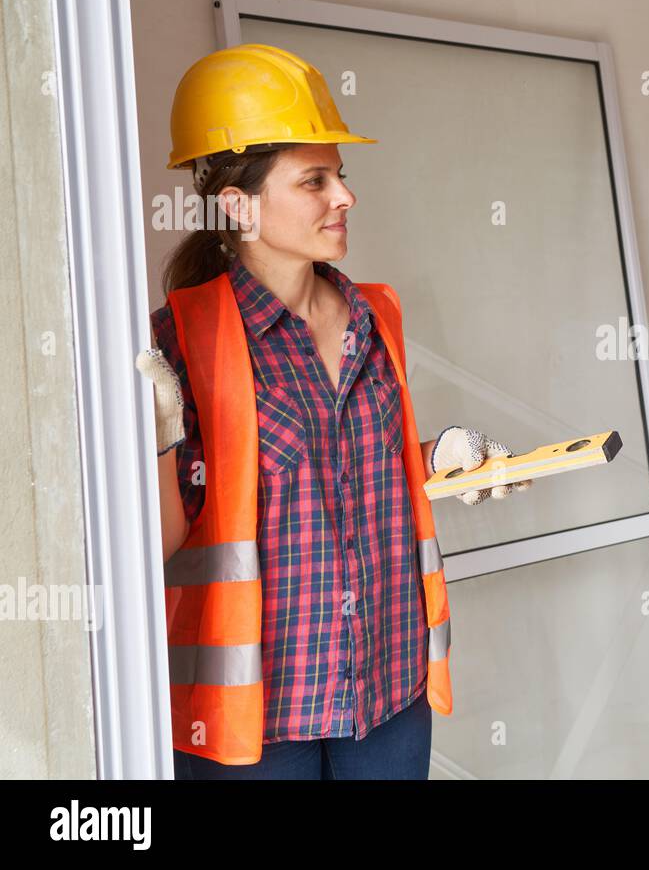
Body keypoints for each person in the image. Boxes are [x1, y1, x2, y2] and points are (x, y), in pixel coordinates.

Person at [136, 43, 530, 779]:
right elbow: (164, 540)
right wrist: (158, 440)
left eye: (339, 176)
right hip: (256, 721)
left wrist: (437, 457)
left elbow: (341, 472)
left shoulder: (374, 317)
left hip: (384, 689)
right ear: (239, 204)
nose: (343, 196)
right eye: (314, 180)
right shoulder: (181, 339)